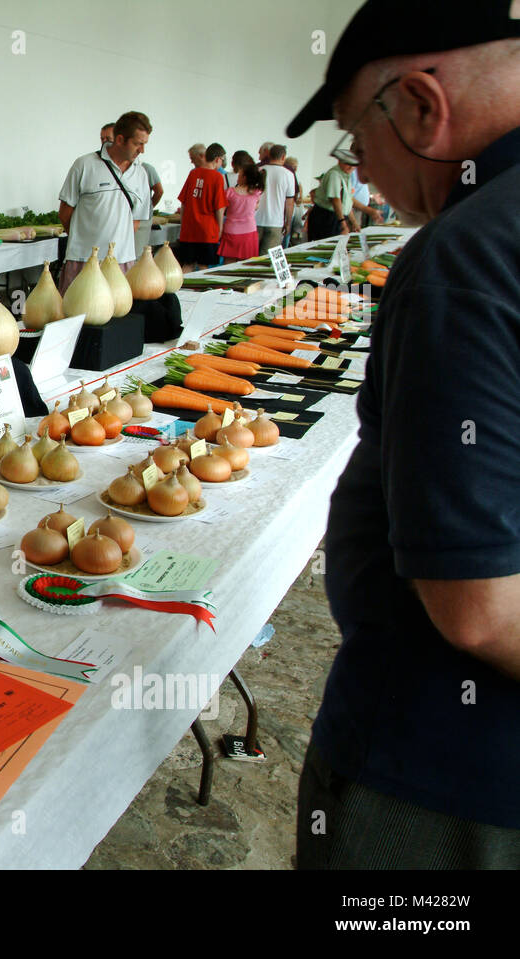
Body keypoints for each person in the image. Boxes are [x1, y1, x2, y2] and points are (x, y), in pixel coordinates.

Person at [287, 0, 520, 868]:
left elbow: (479, 607)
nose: (361, 170)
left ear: (421, 105)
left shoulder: (464, 257)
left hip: (442, 786)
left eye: (355, 140)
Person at [57, 111, 152, 289]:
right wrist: (84, 243)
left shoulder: (140, 174)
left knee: (121, 314)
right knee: (77, 314)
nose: (142, 150)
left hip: (122, 264)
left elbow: (135, 222)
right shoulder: (85, 165)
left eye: (145, 144)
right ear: (120, 139)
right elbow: (64, 214)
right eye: (138, 144)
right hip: (83, 261)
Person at [174, 145, 227, 271]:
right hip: (207, 230)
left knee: (187, 265)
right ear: (218, 159)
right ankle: (204, 291)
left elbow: (184, 203)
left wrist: (183, 223)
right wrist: (220, 228)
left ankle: (180, 290)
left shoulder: (193, 173)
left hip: (189, 229)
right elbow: (219, 207)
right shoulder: (217, 177)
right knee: (204, 266)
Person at [216, 162, 263, 263]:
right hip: (249, 231)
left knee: (228, 264)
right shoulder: (256, 192)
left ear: (244, 177)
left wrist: (220, 227)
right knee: (247, 264)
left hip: (231, 230)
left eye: (239, 175)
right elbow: (255, 207)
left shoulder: (230, 192)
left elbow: (220, 210)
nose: (237, 178)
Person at [306, 149, 356, 239]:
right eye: (348, 164)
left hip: (335, 217)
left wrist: (354, 222)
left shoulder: (345, 175)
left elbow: (347, 202)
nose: (351, 167)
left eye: (354, 165)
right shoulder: (334, 174)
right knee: (325, 246)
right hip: (327, 217)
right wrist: (343, 223)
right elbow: (335, 199)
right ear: (340, 161)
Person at [255, 144, 296, 253]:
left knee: (250, 257)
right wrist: (288, 223)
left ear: (268, 154)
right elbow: (289, 202)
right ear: (283, 157)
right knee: (267, 259)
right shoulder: (288, 174)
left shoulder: (259, 170)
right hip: (275, 222)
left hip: (255, 220)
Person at [132, 157, 164, 262]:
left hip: (141, 220)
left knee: (136, 256)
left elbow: (159, 191)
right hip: (122, 218)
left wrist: (148, 207)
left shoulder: (146, 168)